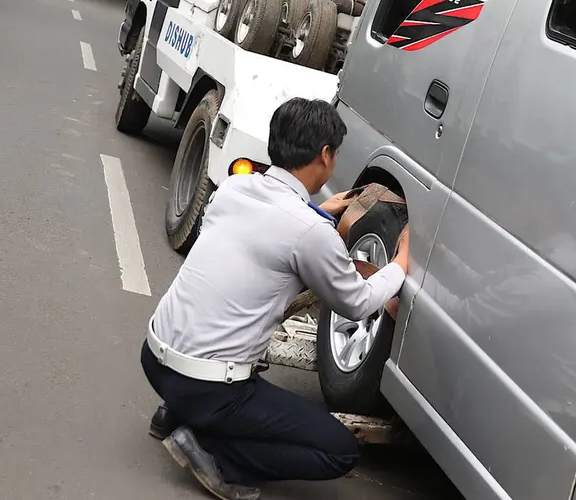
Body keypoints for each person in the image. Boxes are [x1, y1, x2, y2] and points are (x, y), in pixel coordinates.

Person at [141, 97, 410, 500]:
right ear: (325, 155)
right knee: (338, 452)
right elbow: (355, 302)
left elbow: (273, 232)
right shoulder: (309, 231)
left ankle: (174, 414)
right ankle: (216, 456)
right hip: (210, 387)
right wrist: (400, 265)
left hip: (154, 358)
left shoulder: (236, 187)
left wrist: (318, 212)